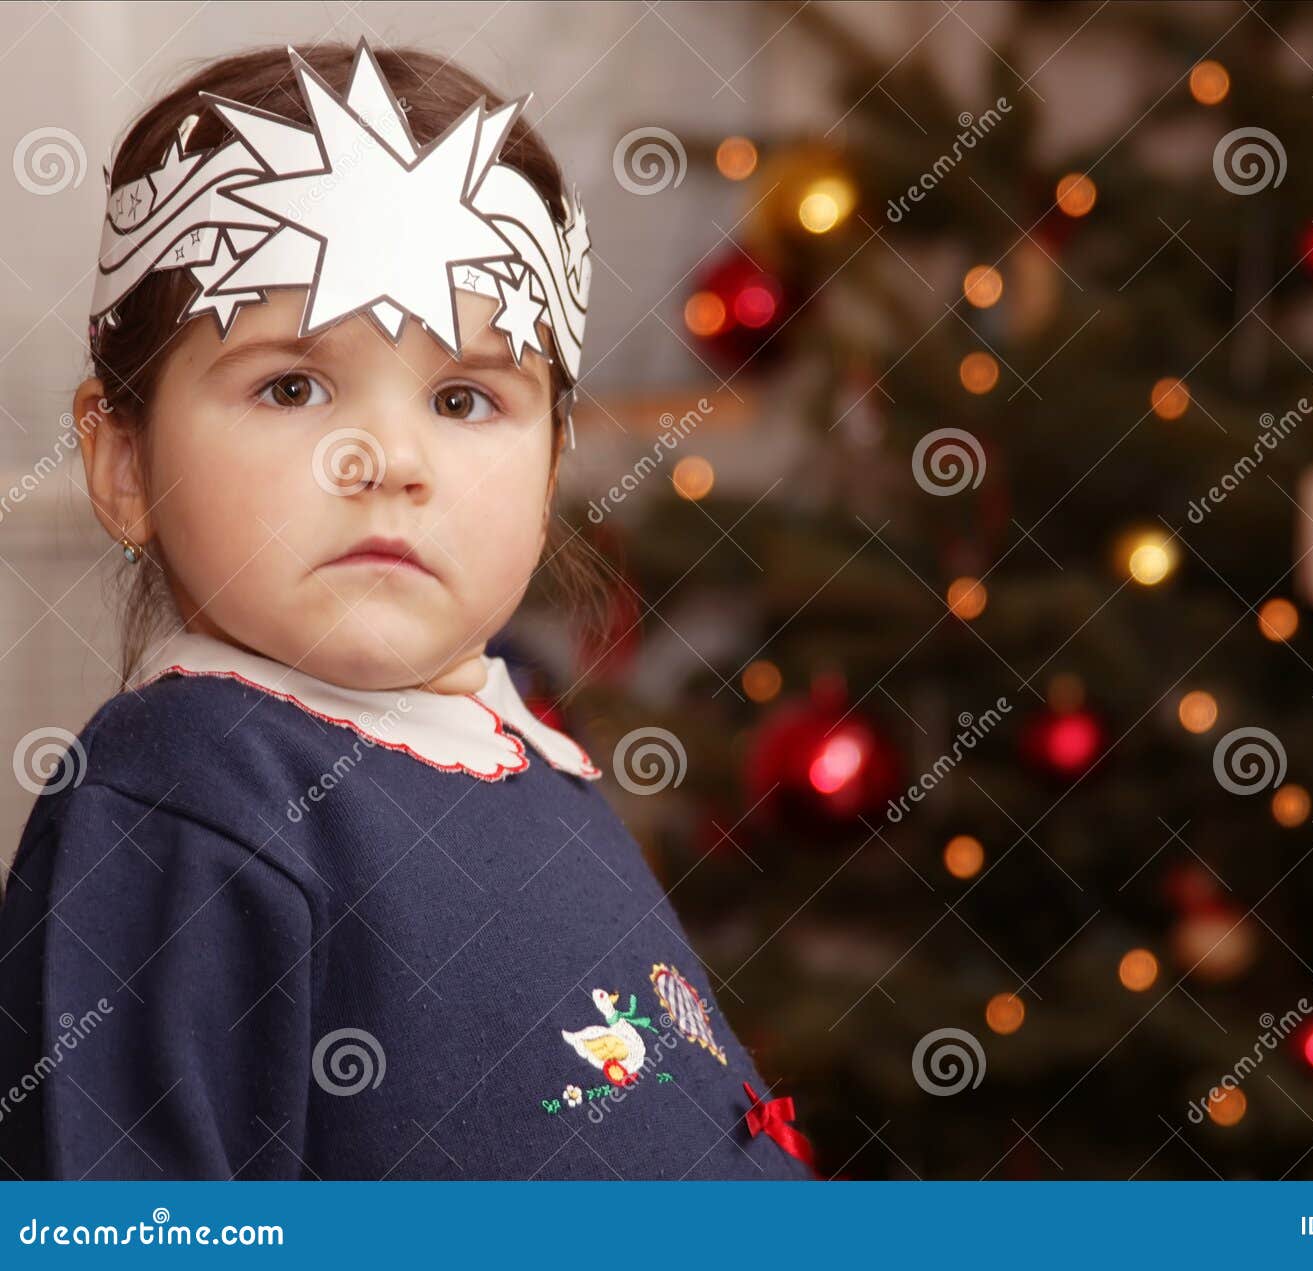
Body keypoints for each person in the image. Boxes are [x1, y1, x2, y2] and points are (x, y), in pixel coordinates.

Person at [0, 39, 813, 1182]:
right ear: (125, 459)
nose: (387, 457)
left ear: (547, 469)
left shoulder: (518, 739)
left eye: (466, 397)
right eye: (291, 385)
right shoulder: (190, 787)